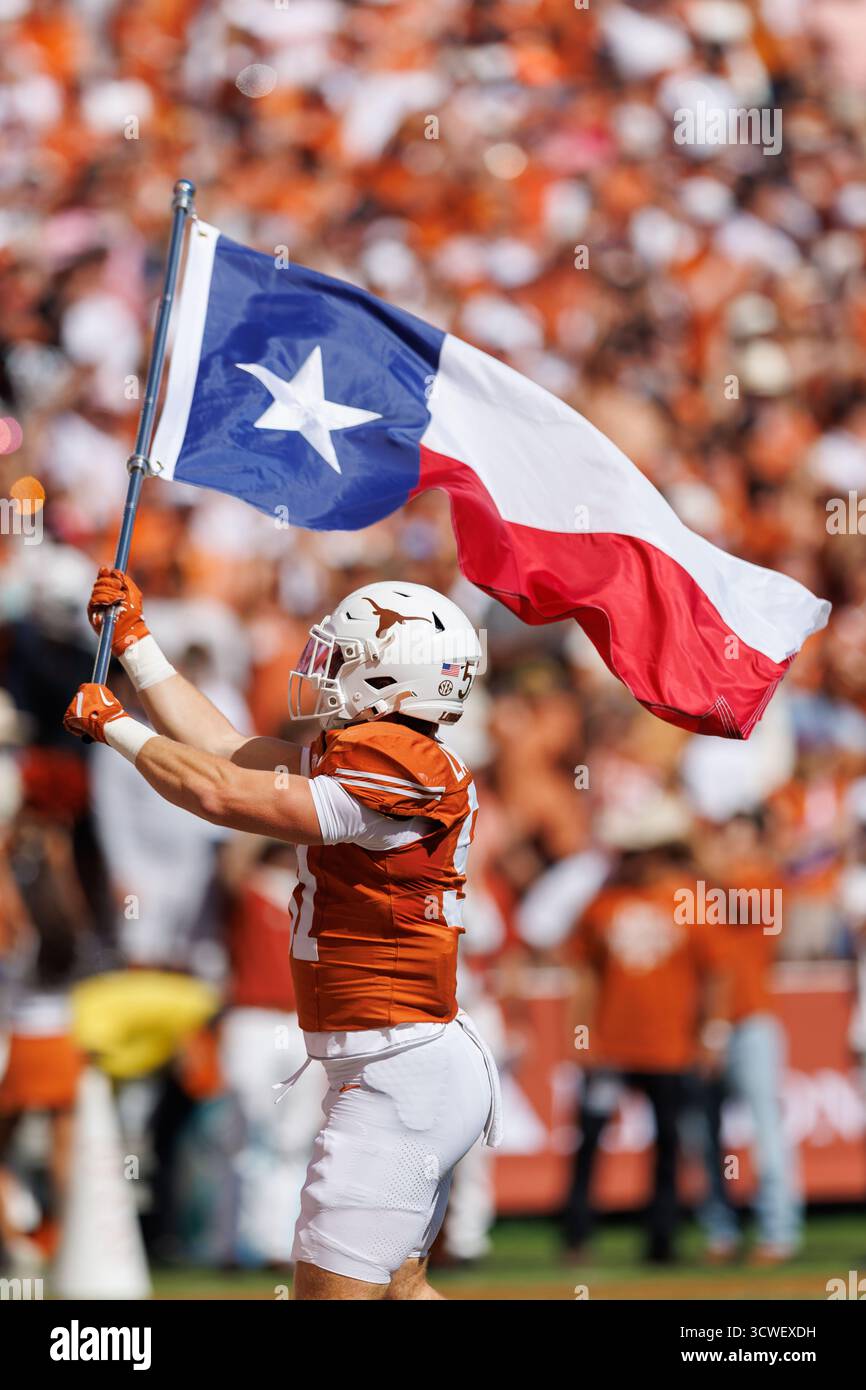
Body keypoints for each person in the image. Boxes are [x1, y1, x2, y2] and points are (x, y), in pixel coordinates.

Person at [63, 567, 501, 1301]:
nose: (322, 672)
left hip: (398, 1071)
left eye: (343, 658)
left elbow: (219, 793)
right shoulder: (376, 755)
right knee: (400, 1292)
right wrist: (138, 649)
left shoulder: (405, 764)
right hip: (398, 1063)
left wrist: (116, 727)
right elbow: (231, 752)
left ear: (391, 677)